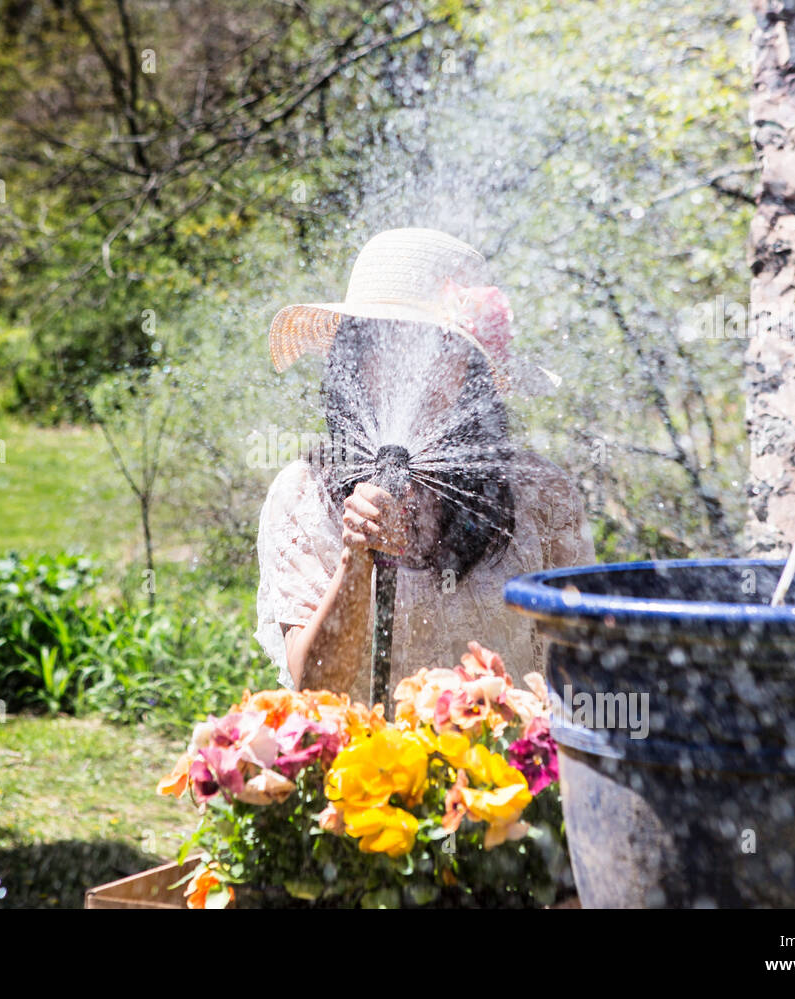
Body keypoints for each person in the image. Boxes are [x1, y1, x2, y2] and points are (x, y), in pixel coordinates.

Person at [254, 228, 594, 704]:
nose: (413, 366)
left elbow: (580, 671)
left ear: (474, 370)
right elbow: (318, 687)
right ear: (353, 357)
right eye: (383, 342)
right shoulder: (305, 492)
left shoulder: (540, 494)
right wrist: (357, 558)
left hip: (501, 775)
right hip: (359, 774)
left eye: (439, 346)